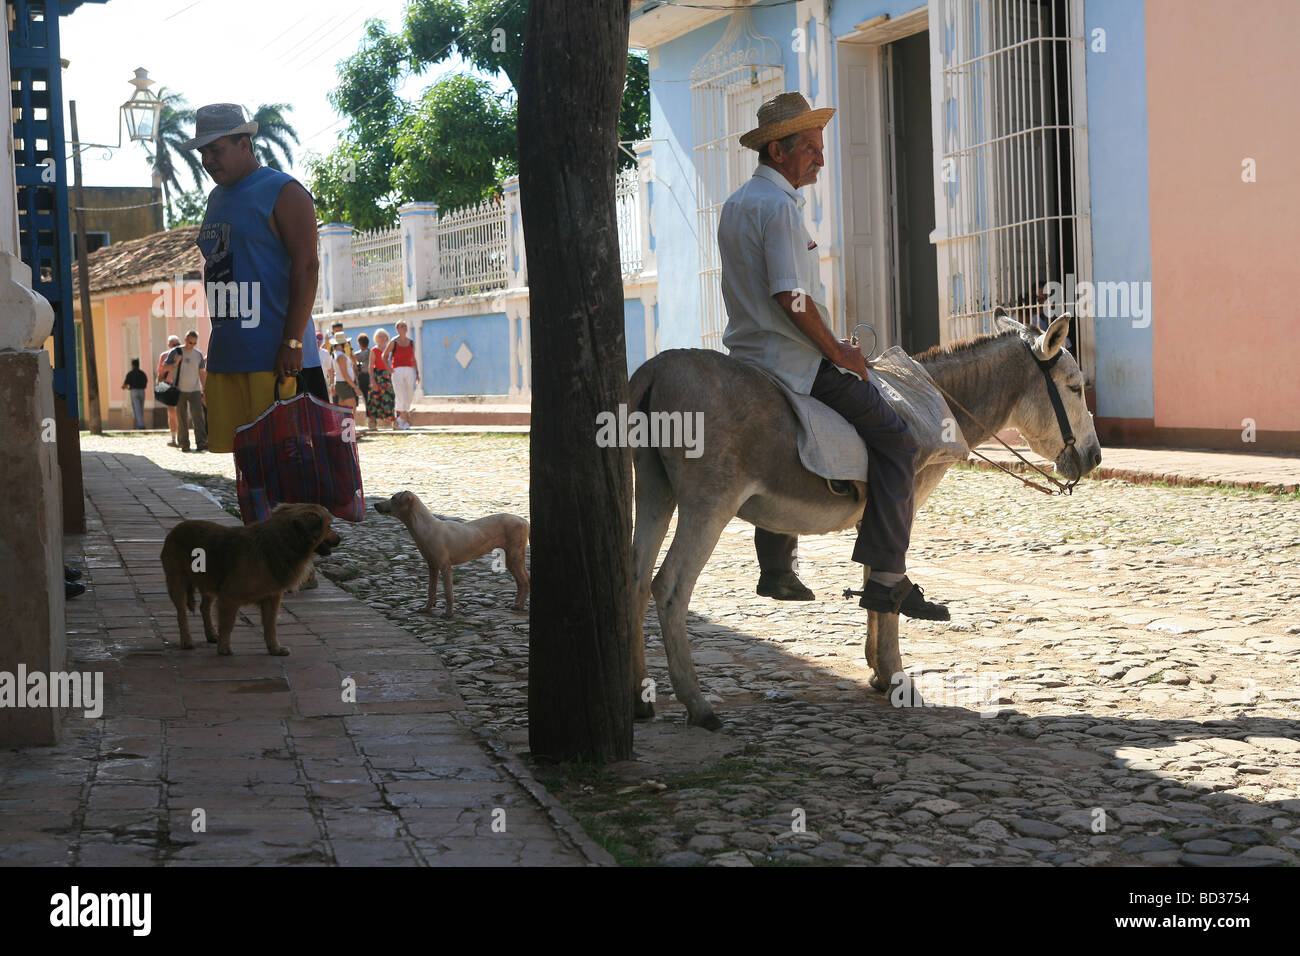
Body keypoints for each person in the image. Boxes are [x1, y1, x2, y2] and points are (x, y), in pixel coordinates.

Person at [717, 92, 948, 620]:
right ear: (777, 150)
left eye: (820, 149)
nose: (820, 159)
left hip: (746, 354)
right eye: (810, 149)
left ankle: (776, 567)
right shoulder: (777, 208)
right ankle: (888, 576)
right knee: (898, 440)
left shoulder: (737, 203)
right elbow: (789, 296)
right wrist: (838, 350)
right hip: (793, 362)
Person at [182, 103, 325, 457]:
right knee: (249, 469)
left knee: (293, 470)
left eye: (217, 149)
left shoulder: (284, 191)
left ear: (245, 143)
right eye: (204, 152)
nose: (208, 160)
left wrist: (292, 342)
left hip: (276, 360)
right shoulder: (216, 198)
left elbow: (307, 266)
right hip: (230, 356)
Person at [164, 330, 207, 452]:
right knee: (182, 418)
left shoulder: (198, 354)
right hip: (179, 390)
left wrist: (204, 388)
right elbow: (165, 367)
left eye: (194, 343)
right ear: (185, 340)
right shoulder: (176, 351)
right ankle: (184, 444)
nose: (191, 345)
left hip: (195, 390)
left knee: (198, 417)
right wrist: (175, 363)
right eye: (190, 342)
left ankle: (201, 442)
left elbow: (202, 373)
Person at [384, 320, 419, 429]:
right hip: (397, 370)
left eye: (405, 326)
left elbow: (413, 358)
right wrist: (389, 368)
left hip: (409, 370)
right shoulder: (393, 342)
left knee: (409, 394)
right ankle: (404, 420)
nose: (404, 328)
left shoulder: (411, 342)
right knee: (400, 395)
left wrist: (417, 372)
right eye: (401, 326)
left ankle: (399, 420)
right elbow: (384, 356)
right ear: (397, 329)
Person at [368, 328, 397, 428]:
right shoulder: (374, 350)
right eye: (379, 336)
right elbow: (371, 366)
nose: (381, 338)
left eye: (383, 336)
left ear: (386, 337)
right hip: (377, 376)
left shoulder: (390, 349)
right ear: (376, 338)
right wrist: (372, 380)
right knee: (375, 399)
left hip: (388, 376)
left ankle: (395, 422)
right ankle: (372, 423)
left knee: (390, 397)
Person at [157, 334, 182, 446]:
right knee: (172, 413)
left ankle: (182, 438)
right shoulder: (164, 356)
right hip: (169, 386)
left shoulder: (184, 354)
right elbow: (161, 372)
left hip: (182, 386)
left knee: (181, 413)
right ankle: (173, 438)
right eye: (174, 344)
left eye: (178, 344)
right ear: (169, 345)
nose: (176, 346)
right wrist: (159, 386)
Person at [331, 330, 360, 412]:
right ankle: (350, 425)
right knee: (352, 409)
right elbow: (345, 374)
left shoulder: (336, 354)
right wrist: (355, 387)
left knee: (343, 410)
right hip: (344, 384)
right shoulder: (341, 356)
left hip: (341, 383)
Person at [122, 358, 148, 429]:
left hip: (134, 391)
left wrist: (127, 388)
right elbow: (146, 382)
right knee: (141, 408)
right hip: (142, 391)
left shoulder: (130, 373)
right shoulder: (142, 373)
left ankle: (141, 425)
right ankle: (139, 424)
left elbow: (125, 385)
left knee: (137, 409)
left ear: (132, 365)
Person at [355, 333, 371, 416]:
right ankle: (371, 416)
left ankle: (369, 416)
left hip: (362, 377)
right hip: (370, 376)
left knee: (365, 397)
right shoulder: (371, 352)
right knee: (370, 397)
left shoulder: (357, 355)